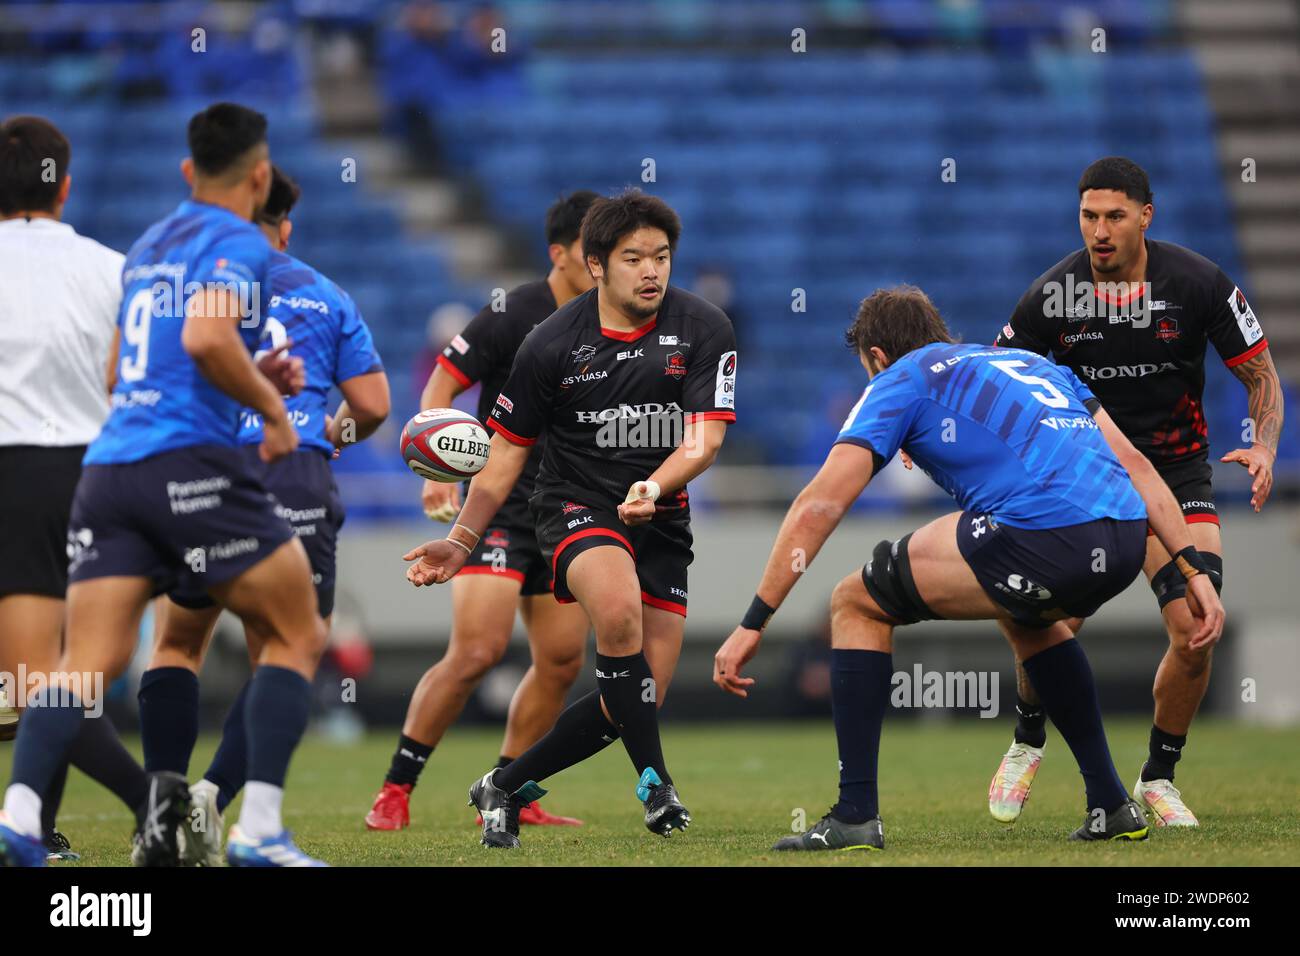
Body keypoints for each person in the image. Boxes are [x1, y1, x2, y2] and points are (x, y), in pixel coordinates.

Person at [712, 285, 1224, 851]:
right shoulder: (1030, 363)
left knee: (854, 601)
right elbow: (1136, 464)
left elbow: (820, 504)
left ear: (876, 357)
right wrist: (1191, 569)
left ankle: (855, 813)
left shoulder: (900, 377)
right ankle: (1109, 804)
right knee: (1029, 618)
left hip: (1046, 532)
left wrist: (754, 621)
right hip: (1127, 537)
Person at [0, 103, 326, 868]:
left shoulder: (151, 243)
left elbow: (125, 372)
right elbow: (208, 336)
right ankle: (260, 830)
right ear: (257, 177)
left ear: (186, 172)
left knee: (81, 664)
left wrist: (241, 380)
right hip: (185, 464)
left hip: (109, 473)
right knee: (297, 630)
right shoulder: (237, 241)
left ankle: (19, 815)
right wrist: (272, 408)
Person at [403, 190, 736, 848]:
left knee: (634, 699)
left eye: (662, 257)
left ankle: (503, 785)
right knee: (616, 617)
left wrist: (657, 483)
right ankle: (656, 783)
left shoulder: (704, 327)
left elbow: (705, 439)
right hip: (574, 506)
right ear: (595, 266)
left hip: (660, 516)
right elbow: (502, 459)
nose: (651, 271)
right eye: (634, 257)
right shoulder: (549, 344)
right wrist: (461, 540)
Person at [988, 157, 1284, 827]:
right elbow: (999, 380)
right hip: (1085, 477)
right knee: (1050, 626)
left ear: (1145, 217)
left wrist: (1263, 446)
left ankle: (1158, 776)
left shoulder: (1199, 284)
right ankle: (1028, 735)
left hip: (1176, 477)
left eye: (1114, 216)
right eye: (1089, 216)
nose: (1099, 230)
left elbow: (1261, 378)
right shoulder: (1051, 297)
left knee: (1199, 628)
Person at [134, 165, 389, 865]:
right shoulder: (324, 293)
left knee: (175, 642)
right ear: (286, 225)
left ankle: (161, 810)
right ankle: (224, 804)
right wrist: (330, 432)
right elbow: (371, 406)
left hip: (195, 471)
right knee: (287, 651)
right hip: (290, 475)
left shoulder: (181, 285)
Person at [366, 191, 596, 831]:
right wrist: (438, 474)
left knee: (560, 661)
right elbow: (442, 382)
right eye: (592, 249)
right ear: (559, 253)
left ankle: (509, 789)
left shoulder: (607, 321)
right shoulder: (513, 309)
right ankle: (395, 789)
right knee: (476, 652)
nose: (604, 262)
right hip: (495, 510)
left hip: (565, 515)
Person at [0, 114, 123, 862]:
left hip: (13, 464)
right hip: (78, 474)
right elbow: (127, 381)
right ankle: (52, 824)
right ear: (64, 185)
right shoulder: (110, 268)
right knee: (51, 677)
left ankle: (45, 824)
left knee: (28, 679)